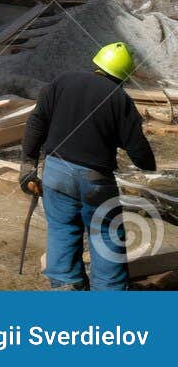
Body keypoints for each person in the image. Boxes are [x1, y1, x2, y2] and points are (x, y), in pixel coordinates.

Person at [19, 40, 156, 290]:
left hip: (55, 172)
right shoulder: (120, 99)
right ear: (123, 76)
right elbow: (139, 151)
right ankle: (108, 294)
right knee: (105, 233)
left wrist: (28, 166)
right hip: (95, 180)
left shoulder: (62, 82)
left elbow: (36, 123)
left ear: (98, 63)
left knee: (62, 228)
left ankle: (65, 288)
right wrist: (149, 165)